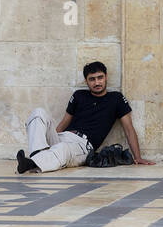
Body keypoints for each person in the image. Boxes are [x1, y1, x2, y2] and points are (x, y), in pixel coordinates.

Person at [17, 62, 155, 173]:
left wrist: (138, 157)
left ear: (106, 77)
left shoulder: (116, 99)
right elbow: (65, 122)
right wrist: (54, 137)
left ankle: (32, 163)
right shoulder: (78, 95)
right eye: (92, 79)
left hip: (82, 145)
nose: (97, 82)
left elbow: (129, 129)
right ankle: (37, 155)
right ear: (86, 81)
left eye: (100, 77)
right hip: (63, 136)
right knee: (38, 113)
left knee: (63, 149)